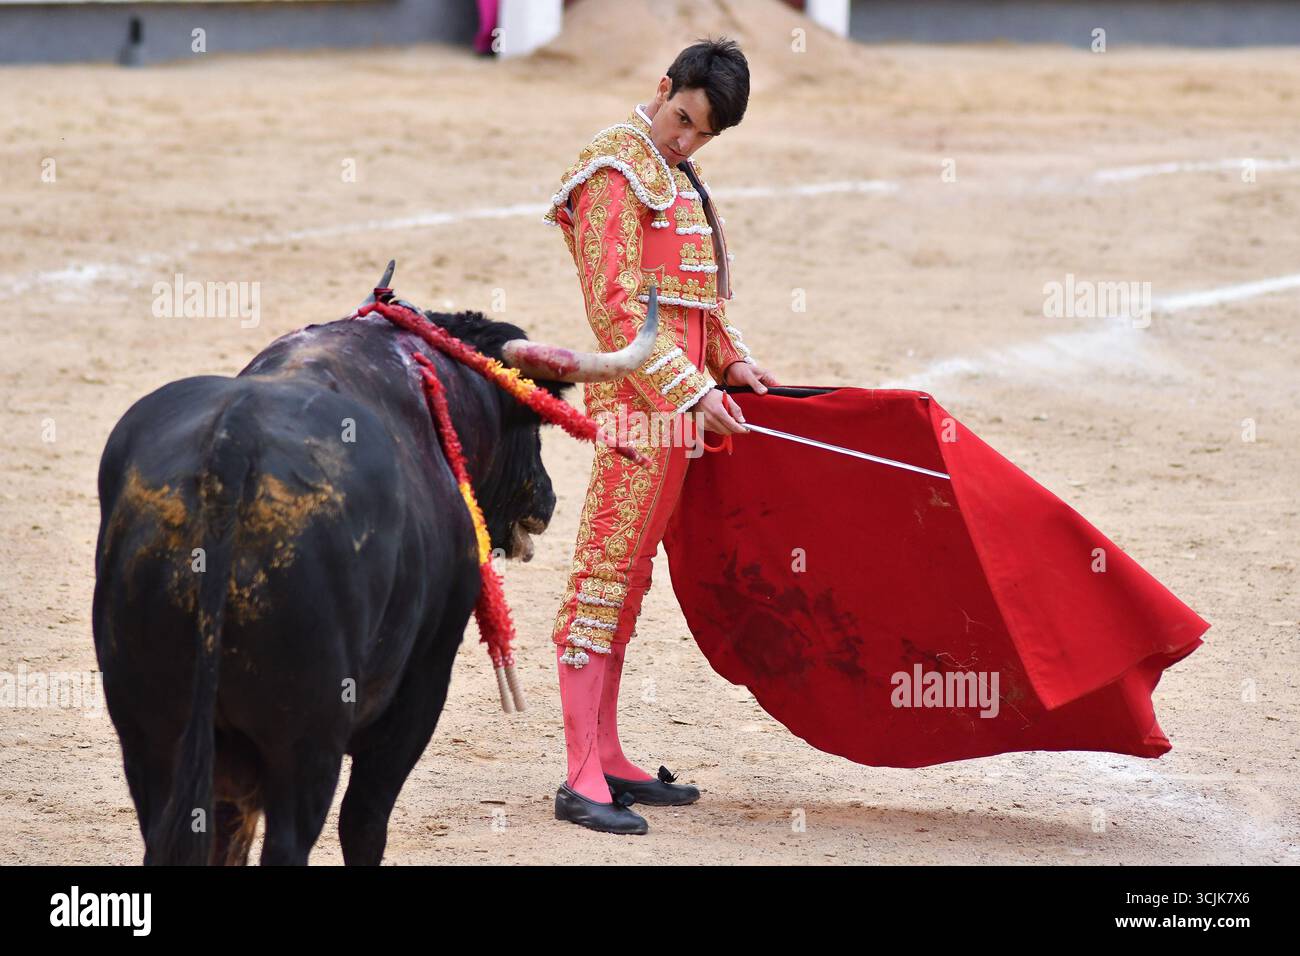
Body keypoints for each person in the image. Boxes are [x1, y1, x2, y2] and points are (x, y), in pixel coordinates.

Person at [541, 37, 780, 834]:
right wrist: (691, 386)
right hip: (638, 410)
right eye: (683, 119)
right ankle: (578, 774)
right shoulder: (613, 171)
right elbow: (615, 308)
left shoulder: (680, 179)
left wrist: (733, 361)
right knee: (605, 573)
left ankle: (606, 753)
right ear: (663, 87)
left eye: (704, 134)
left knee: (632, 575)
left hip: (681, 409)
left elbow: (693, 304)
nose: (686, 141)